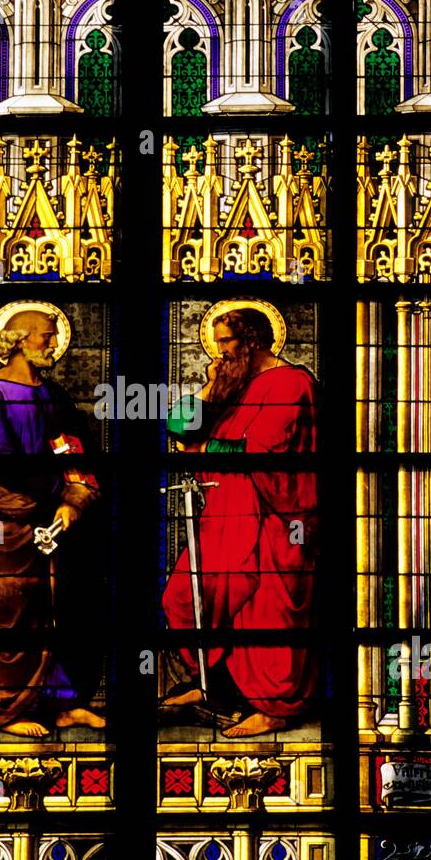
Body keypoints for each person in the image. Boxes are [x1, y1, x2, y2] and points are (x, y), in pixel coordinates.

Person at [0, 305, 105, 738]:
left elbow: (70, 448)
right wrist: (59, 494)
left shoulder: (51, 394)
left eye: (55, 335)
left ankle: (62, 702)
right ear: (18, 340)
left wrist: (77, 495)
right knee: (11, 609)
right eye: (46, 335)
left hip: (52, 517)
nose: (53, 343)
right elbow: (1, 465)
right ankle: (6, 706)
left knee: (60, 607)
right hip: (3, 520)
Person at [162, 305, 318, 737]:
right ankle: (219, 687)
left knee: (264, 615)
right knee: (183, 598)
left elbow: (263, 453)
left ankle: (274, 706)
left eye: (227, 341)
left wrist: (205, 453)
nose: (219, 350)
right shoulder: (235, 385)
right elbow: (178, 427)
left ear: (251, 341)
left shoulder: (292, 383)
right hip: (229, 515)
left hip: (276, 518)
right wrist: (212, 386)